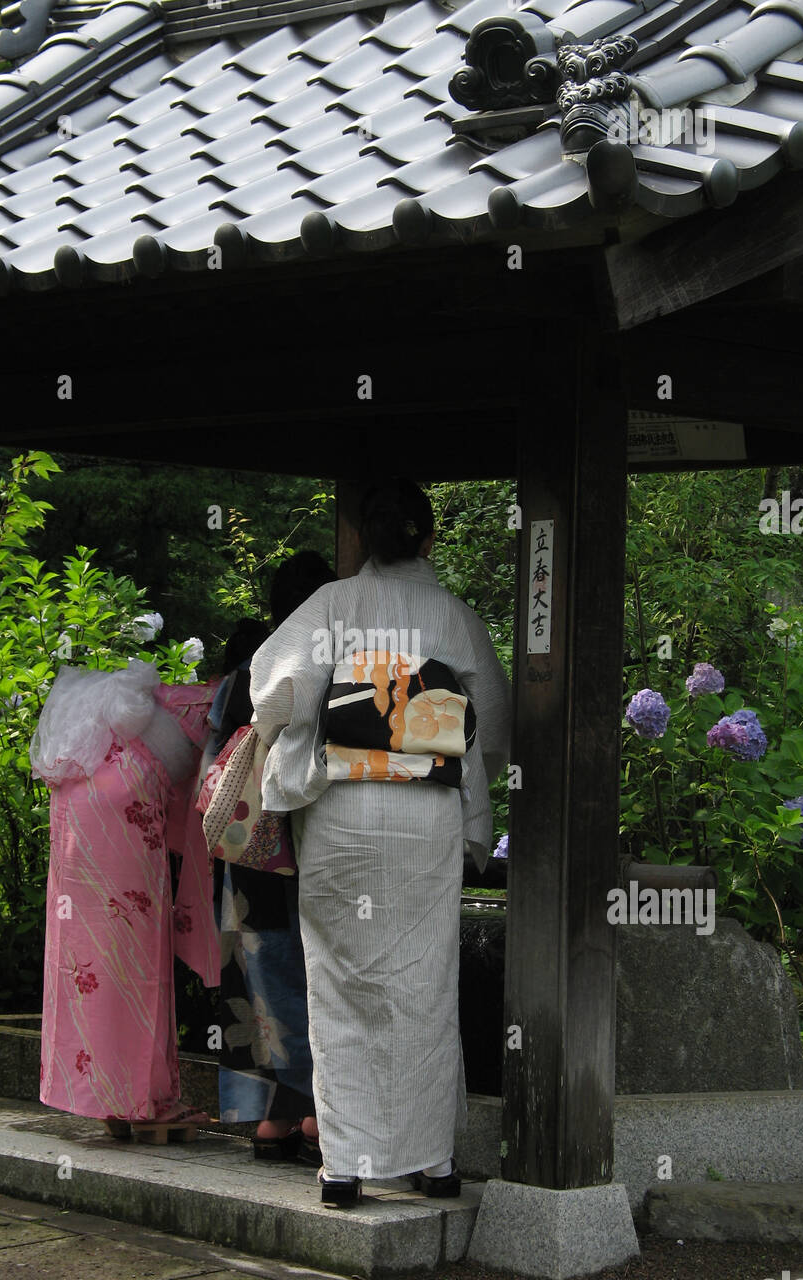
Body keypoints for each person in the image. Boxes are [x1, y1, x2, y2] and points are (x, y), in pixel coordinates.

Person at [249, 481, 510, 1204]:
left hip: (341, 809)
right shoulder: (454, 617)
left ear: (362, 542)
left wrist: (312, 722)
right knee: (424, 982)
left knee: (339, 983)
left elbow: (271, 693)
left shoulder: (332, 606)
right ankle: (431, 1163)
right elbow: (489, 717)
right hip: (423, 813)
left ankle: (345, 1167)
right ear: (428, 541)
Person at [31, 658, 220, 1128]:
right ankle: (145, 1101)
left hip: (77, 816)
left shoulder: (94, 715)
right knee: (138, 958)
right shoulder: (204, 699)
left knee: (86, 959)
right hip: (127, 811)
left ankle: (106, 1099)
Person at [212, 555, 336, 1162]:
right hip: (316, 840)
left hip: (250, 847)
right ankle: (317, 1108)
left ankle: (271, 1115)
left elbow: (217, 770)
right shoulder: (335, 665)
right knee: (318, 970)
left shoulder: (245, 675)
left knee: (255, 968)